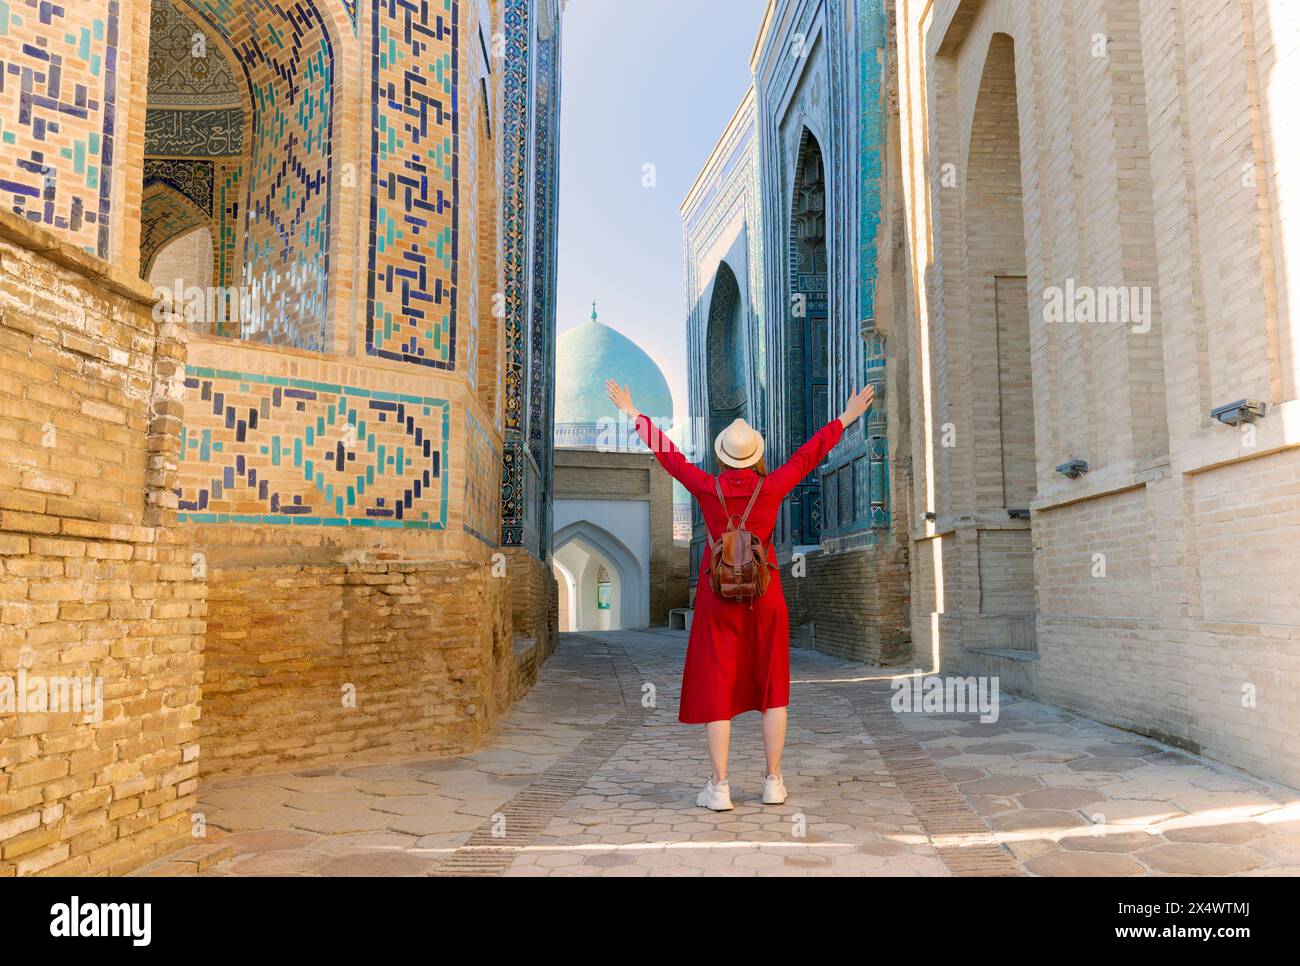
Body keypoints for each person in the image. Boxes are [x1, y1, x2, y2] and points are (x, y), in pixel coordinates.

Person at [605, 378, 876, 810]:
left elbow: (670, 458)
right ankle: (772, 781)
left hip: (717, 598)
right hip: (764, 597)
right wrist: (847, 415)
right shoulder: (771, 487)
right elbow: (809, 456)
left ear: (722, 456)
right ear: (756, 455)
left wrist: (632, 411)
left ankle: (720, 786)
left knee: (719, 691)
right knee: (773, 691)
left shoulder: (707, 488)